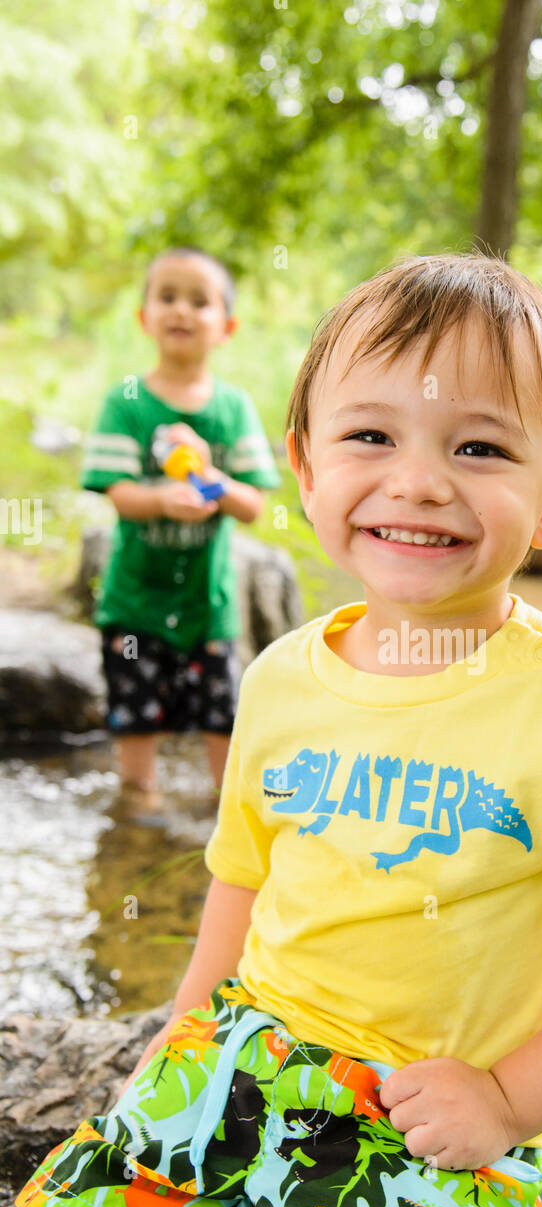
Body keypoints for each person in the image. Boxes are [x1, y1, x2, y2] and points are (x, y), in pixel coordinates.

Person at [8, 252, 542, 1207]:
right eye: (370, 437)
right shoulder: (281, 678)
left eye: (480, 447)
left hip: (426, 1112)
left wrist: (507, 1098)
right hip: (247, 1056)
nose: (419, 480)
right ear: (302, 468)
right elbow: (243, 874)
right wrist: (187, 1020)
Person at [80, 246, 282, 816]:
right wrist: (165, 500)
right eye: (167, 297)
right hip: (134, 602)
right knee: (136, 714)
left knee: (221, 716)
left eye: (200, 301)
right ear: (144, 317)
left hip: (208, 606)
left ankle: (226, 814)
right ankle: (140, 808)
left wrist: (211, 482)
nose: (182, 311)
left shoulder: (233, 408)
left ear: (227, 326)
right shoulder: (126, 403)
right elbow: (119, 495)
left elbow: (251, 506)